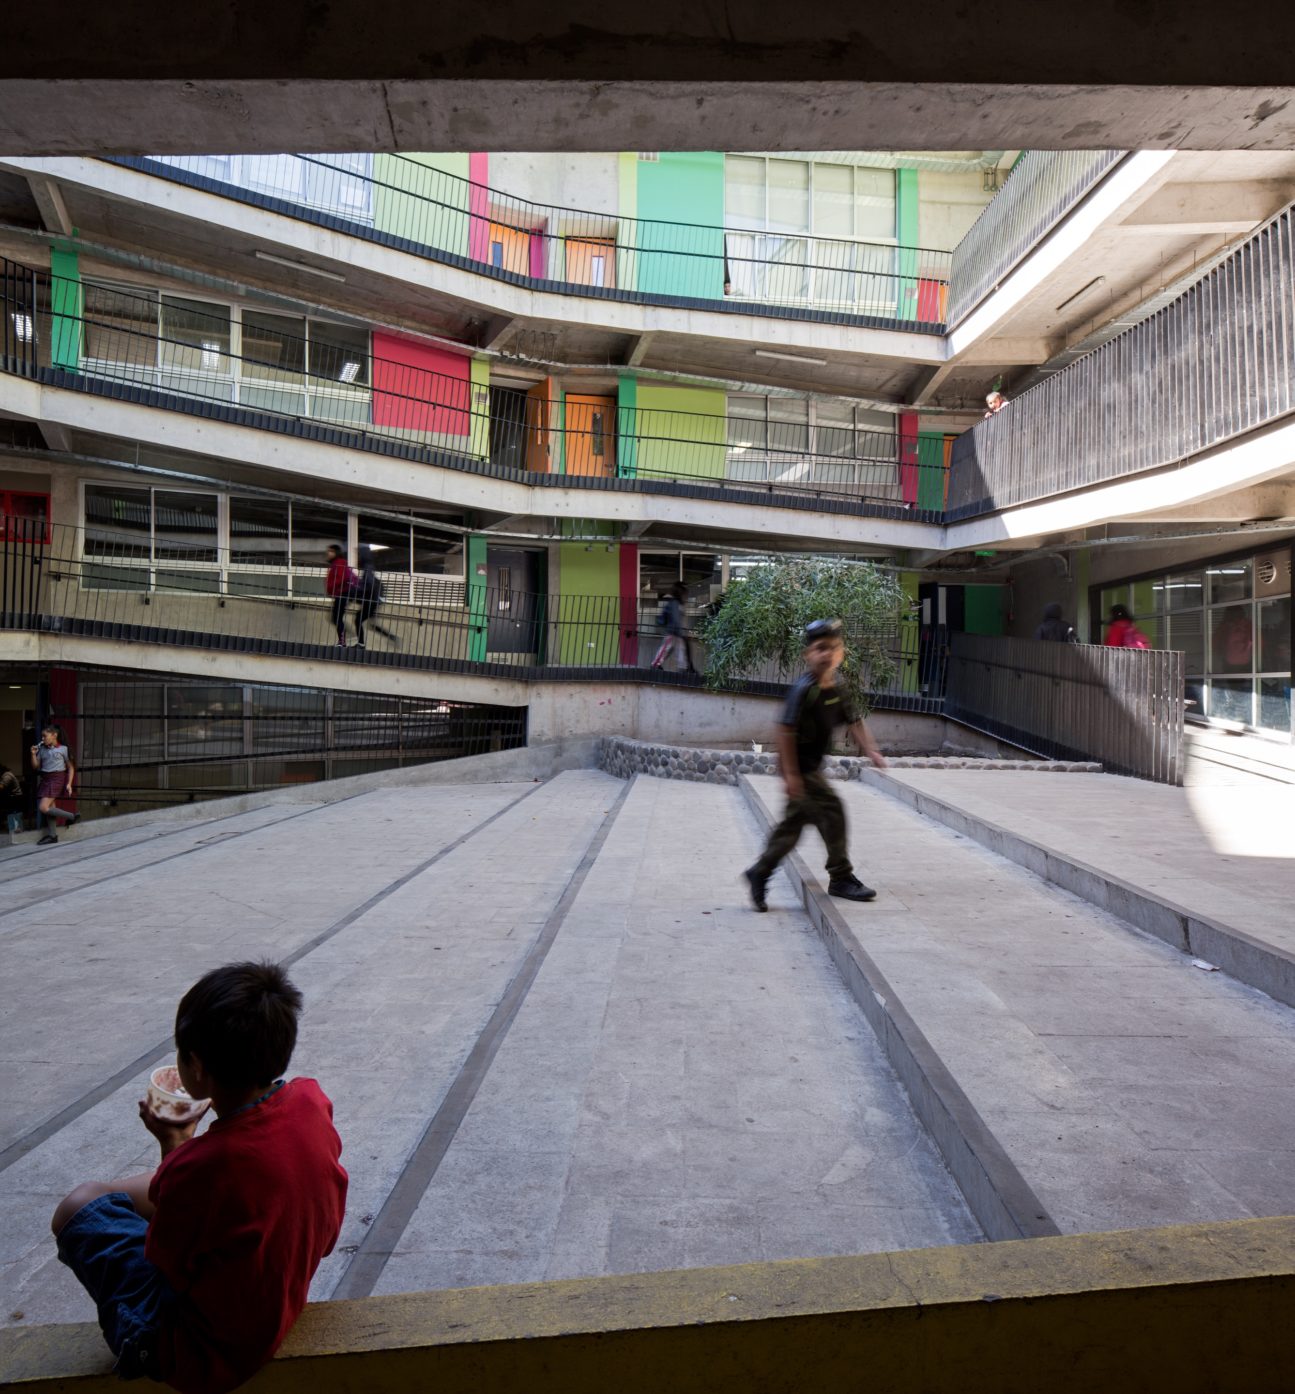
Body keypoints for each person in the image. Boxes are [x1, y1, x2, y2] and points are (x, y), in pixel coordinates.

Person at [51, 961, 348, 1394]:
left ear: (196, 1067)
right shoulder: (310, 1100)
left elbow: (167, 1265)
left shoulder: (203, 1166)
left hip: (199, 1353)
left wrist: (175, 1144)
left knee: (78, 1206)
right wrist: (184, 1155)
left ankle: (140, 1344)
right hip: (278, 1293)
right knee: (126, 1191)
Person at [744, 618, 887, 911]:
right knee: (832, 812)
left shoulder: (839, 690)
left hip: (811, 769)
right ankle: (840, 876)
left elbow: (855, 721)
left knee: (791, 830)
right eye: (820, 648)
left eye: (832, 648)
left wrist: (871, 749)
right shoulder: (804, 690)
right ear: (808, 655)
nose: (826, 654)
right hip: (803, 770)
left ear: (841, 653)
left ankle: (760, 872)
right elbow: (784, 731)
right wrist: (790, 775)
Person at [31, 723, 78, 845]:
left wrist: (69, 784)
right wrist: (33, 754)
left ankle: (71, 816)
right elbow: (35, 766)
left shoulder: (63, 749)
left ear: (54, 735)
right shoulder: (42, 749)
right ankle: (53, 836)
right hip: (46, 779)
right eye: (42, 736)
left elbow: (71, 768)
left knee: (43, 807)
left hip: (57, 778)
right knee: (50, 808)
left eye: (45, 736)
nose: (42, 739)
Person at [354, 544, 398, 650]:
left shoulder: (367, 567)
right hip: (373, 600)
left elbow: (369, 583)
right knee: (370, 623)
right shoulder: (368, 565)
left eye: (359, 554)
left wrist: (358, 588)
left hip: (371, 601)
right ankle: (391, 637)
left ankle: (361, 644)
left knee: (358, 620)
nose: (358, 557)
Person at [651, 582, 696, 674]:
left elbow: (679, 620)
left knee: (679, 652)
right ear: (681, 593)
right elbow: (676, 620)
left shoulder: (678, 604)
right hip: (673, 632)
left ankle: (683, 668)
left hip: (678, 633)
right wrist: (682, 633)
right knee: (666, 648)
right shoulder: (675, 604)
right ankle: (655, 665)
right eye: (685, 594)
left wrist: (683, 632)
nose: (686, 596)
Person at [324, 544, 358, 649]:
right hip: (341, 593)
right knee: (335, 617)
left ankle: (344, 640)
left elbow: (340, 578)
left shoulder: (339, 563)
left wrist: (332, 587)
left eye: (331, 551)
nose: (328, 553)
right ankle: (345, 638)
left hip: (343, 593)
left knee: (336, 617)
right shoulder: (336, 564)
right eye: (328, 551)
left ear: (336, 553)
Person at [1, 761, 23, 835]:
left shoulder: (7, 775)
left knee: (12, 812)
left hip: (15, 797)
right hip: (13, 797)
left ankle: (15, 829)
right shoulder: (6, 774)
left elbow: (1, 786)